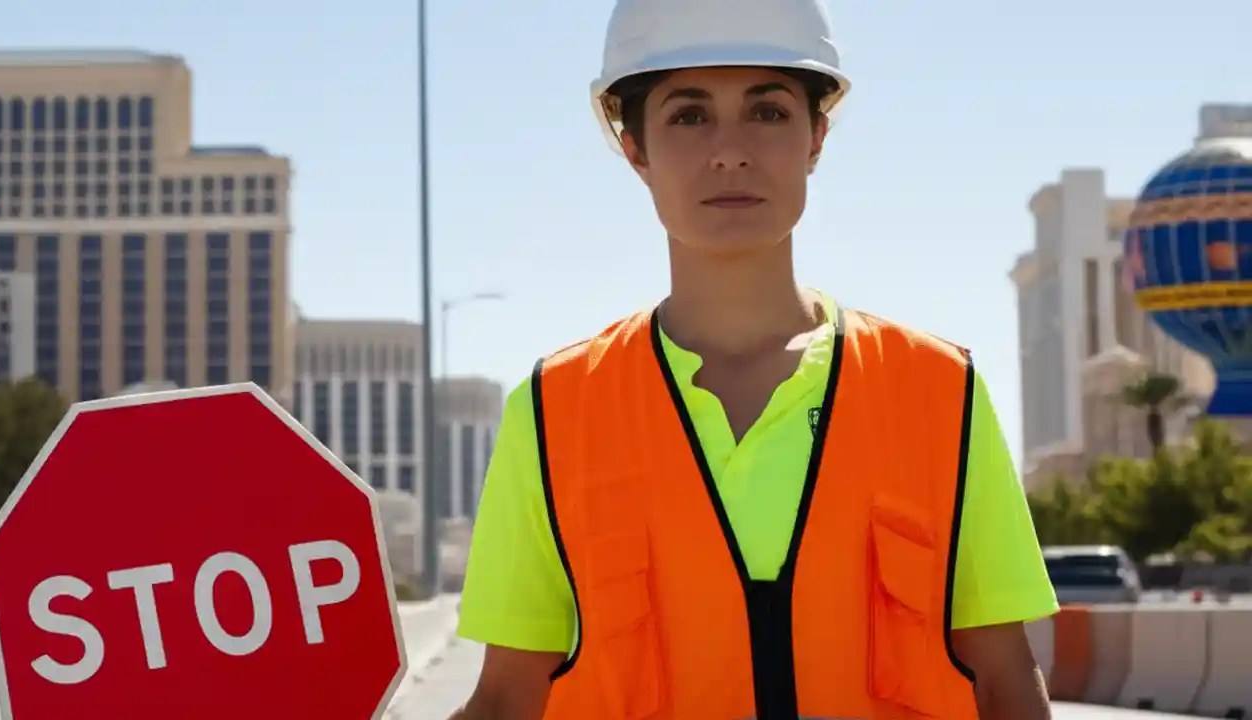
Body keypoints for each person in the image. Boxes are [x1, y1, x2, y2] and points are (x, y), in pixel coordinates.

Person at [450, 0, 1058, 717]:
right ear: (633, 146)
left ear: (817, 137)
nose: (730, 150)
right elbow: (502, 702)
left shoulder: (939, 393)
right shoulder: (555, 410)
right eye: (688, 114)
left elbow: (1008, 686)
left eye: (767, 112)